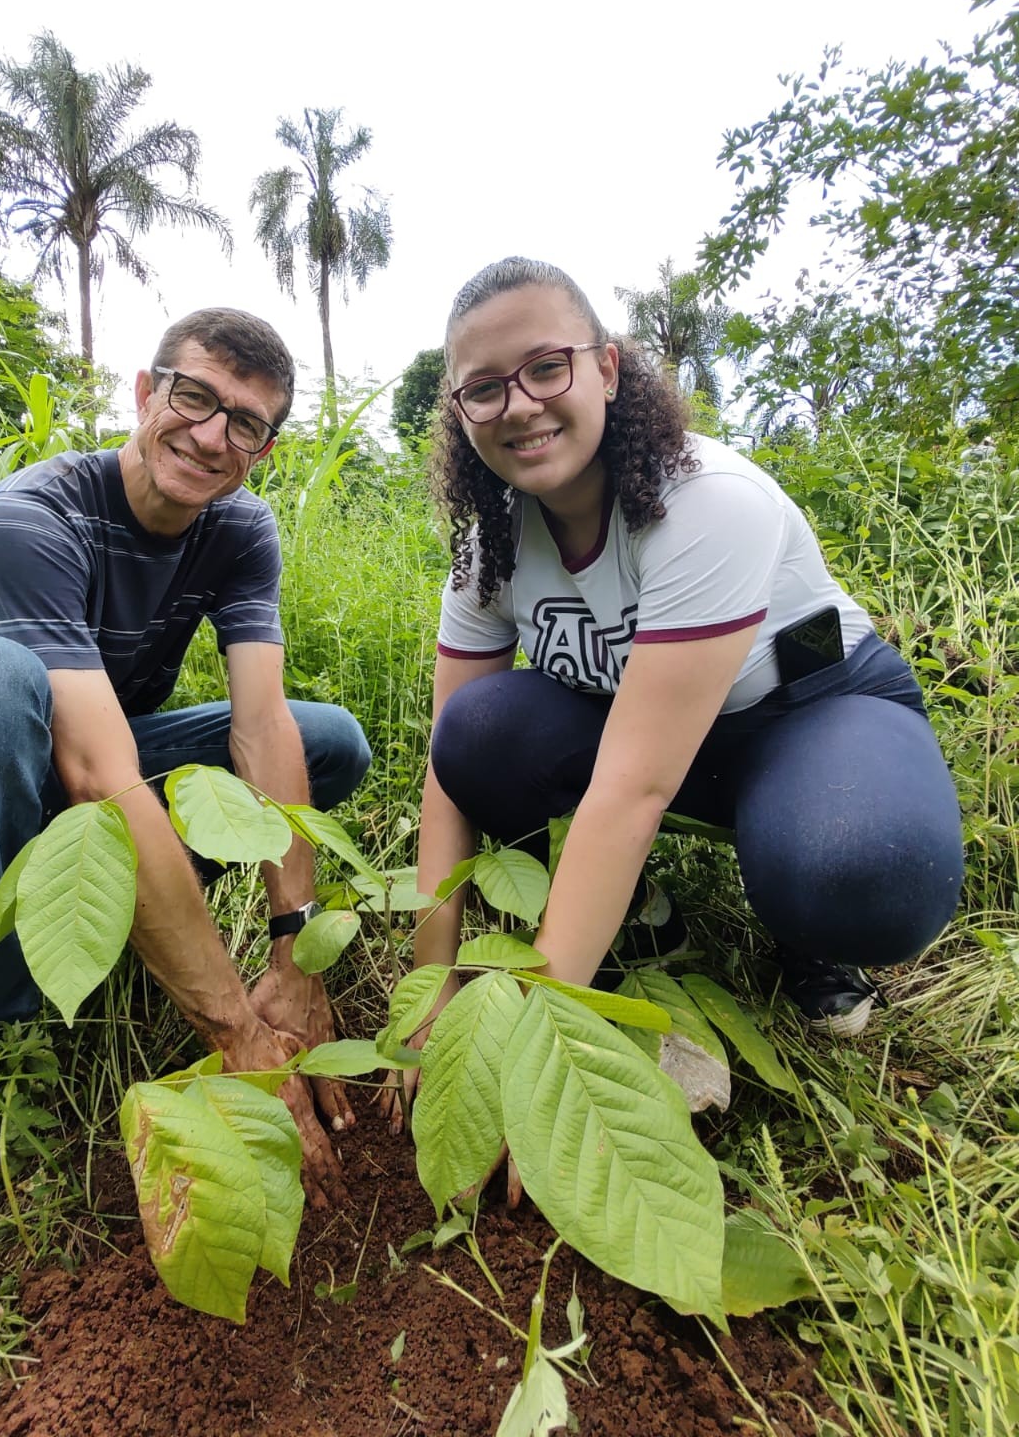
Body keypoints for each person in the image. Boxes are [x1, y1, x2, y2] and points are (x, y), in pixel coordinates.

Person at [396, 257, 962, 1101]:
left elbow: (629, 790)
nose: (519, 404)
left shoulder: (706, 502)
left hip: (807, 710)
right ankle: (637, 917)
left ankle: (806, 925)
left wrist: (534, 1052)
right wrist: (427, 990)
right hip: (650, 740)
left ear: (607, 368)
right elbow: (449, 777)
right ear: (459, 413)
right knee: (476, 732)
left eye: (547, 366)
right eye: (483, 388)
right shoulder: (493, 550)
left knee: (867, 869)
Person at [0, 307, 371, 1204]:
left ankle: (132, 927)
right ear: (144, 393)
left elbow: (261, 730)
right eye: (193, 397)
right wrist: (239, 1037)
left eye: (245, 423)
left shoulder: (241, 531)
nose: (211, 436)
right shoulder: (26, 518)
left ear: (264, 449)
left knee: (327, 739)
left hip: (101, 746)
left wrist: (295, 960)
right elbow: (98, 773)